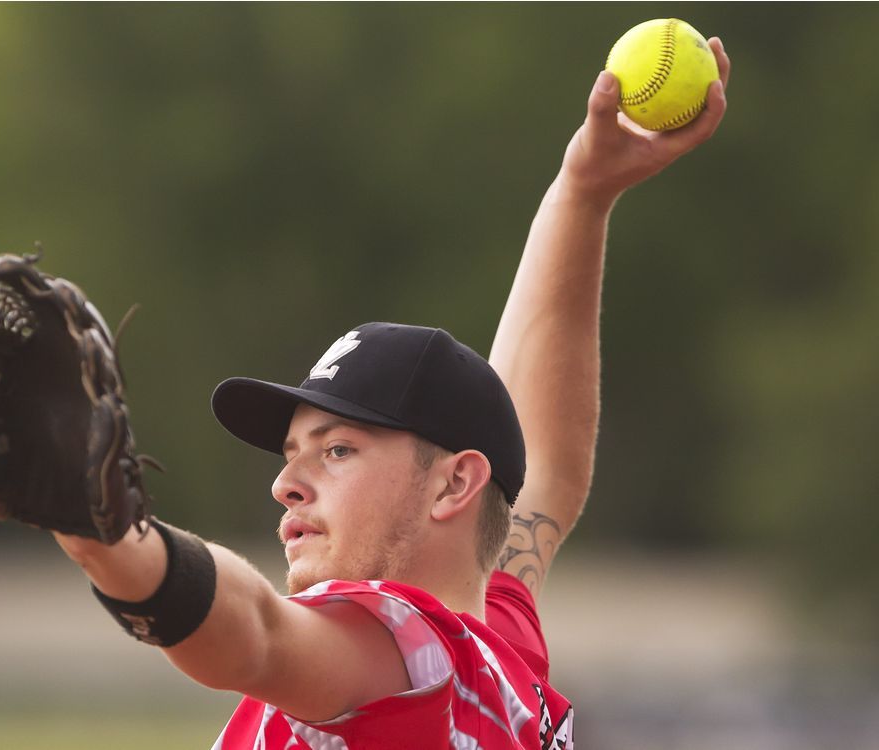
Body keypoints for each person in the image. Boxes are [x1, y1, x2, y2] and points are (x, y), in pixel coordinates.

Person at [52, 40, 730, 749]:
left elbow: (253, 633)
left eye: (337, 449)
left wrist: (109, 535)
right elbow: (542, 462)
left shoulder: (408, 656)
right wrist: (583, 193)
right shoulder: (497, 655)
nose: (287, 483)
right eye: (291, 454)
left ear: (454, 485)